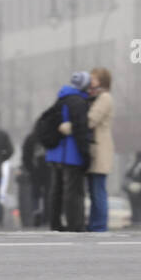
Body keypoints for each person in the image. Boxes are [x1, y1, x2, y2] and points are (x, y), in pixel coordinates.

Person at [45, 71, 93, 232]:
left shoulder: (61, 98)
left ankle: (55, 223)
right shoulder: (78, 102)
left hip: (55, 153)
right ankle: (76, 225)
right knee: (74, 192)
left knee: (56, 191)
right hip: (71, 154)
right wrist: (86, 155)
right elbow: (81, 131)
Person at [85, 66, 115, 232]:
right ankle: (95, 223)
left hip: (101, 150)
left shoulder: (104, 98)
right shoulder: (97, 97)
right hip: (97, 150)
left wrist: (70, 126)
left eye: (94, 79)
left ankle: (99, 225)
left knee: (98, 190)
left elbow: (91, 119)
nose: (91, 81)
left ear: (102, 81)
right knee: (95, 189)